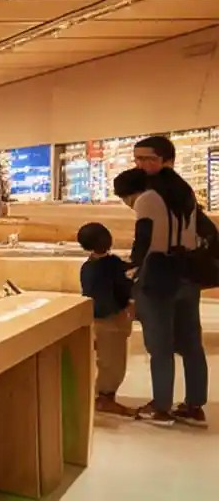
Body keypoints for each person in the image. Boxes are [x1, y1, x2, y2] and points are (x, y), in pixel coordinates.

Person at [113, 166, 210, 427]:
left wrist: (131, 268)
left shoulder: (147, 199)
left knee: (160, 347)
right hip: (188, 273)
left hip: (158, 277)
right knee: (191, 345)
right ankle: (194, 406)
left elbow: (143, 240)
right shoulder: (185, 196)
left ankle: (161, 407)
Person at [77, 222, 134, 416]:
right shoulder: (113, 265)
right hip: (112, 317)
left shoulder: (87, 267)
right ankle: (105, 398)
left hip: (97, 317)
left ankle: (103, 395)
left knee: (106, 360)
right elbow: (124, 285)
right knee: (114, 362)